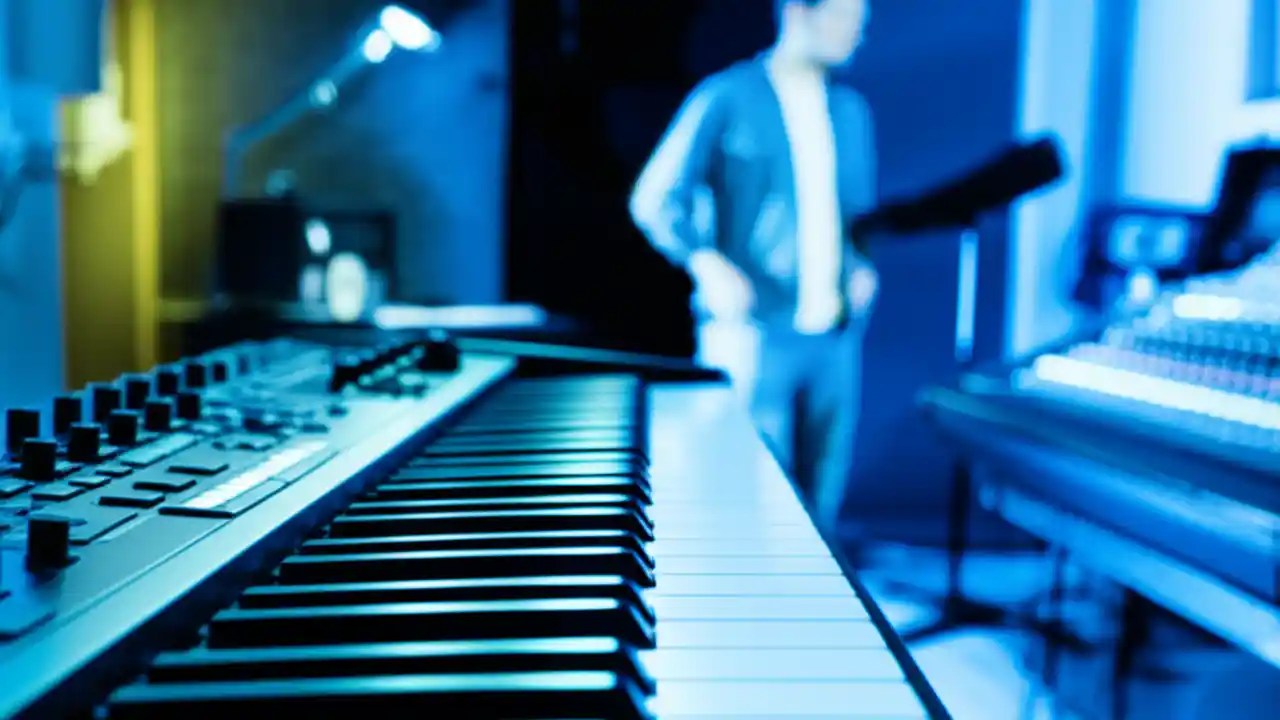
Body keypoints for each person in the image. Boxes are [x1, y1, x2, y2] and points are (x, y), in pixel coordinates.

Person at [630, 0, 878, 532]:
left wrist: (860, 265)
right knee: (746, 500)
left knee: (822, 499)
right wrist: (705, 262)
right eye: (843, 18)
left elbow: (856, 219)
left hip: (833, 338)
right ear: (798, 14)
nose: (856, 34)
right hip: (753, 333)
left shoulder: (851, 111)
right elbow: (655, 197)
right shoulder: (727, 96)